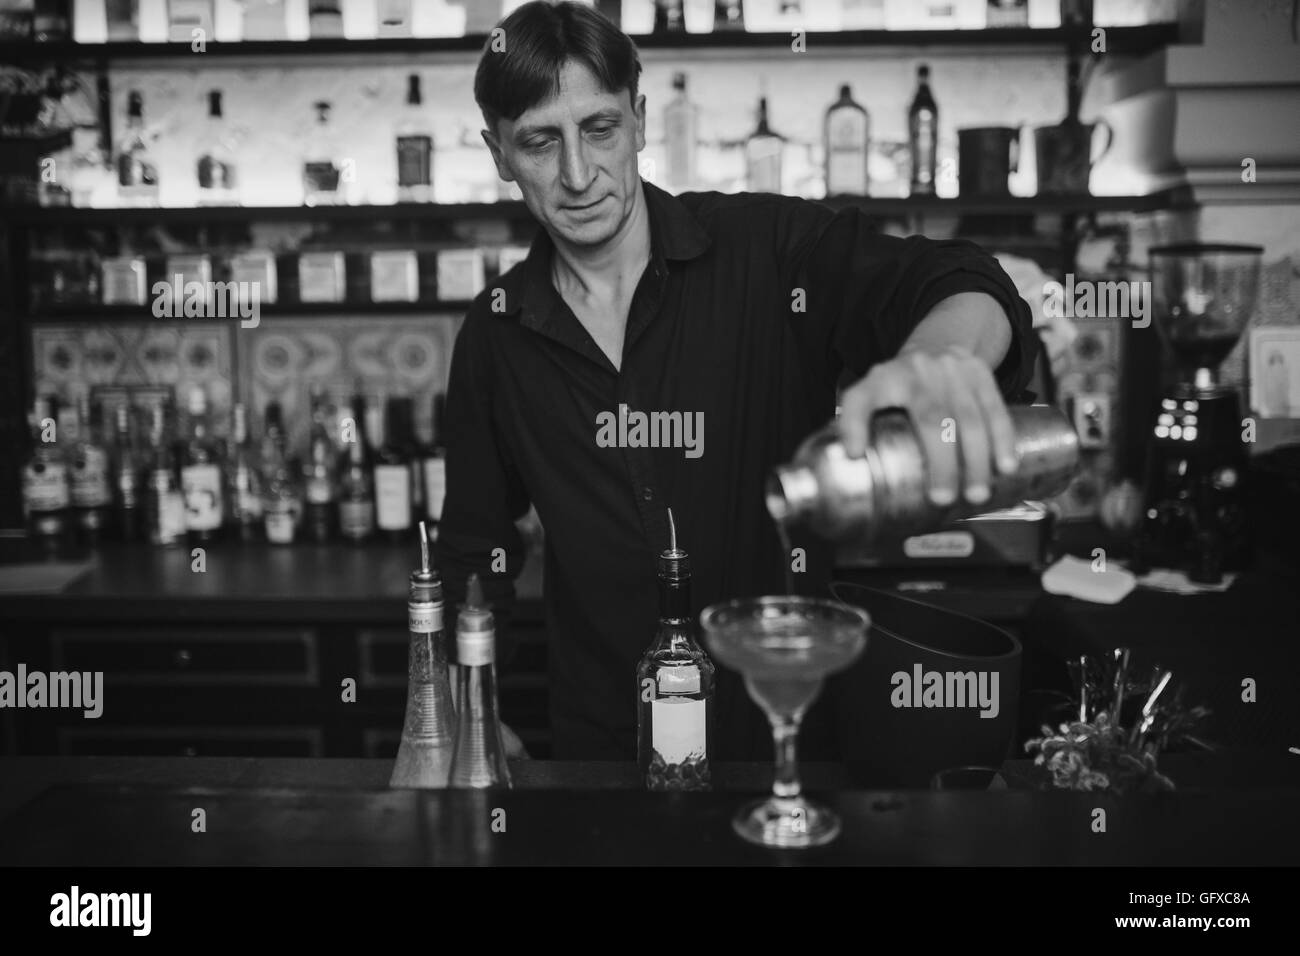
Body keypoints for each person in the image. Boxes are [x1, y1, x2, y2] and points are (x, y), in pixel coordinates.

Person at [436, 1, 1039, 761]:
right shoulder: (496, 334)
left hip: (785, 729)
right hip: (604, 742)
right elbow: (473, 551)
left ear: (641, 119)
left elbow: (954, 277)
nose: (578, 174)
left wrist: (943, 356)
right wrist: (469, 701)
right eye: (538, 142)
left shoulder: (770, 251)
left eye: (599, 128)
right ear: (498, 153)